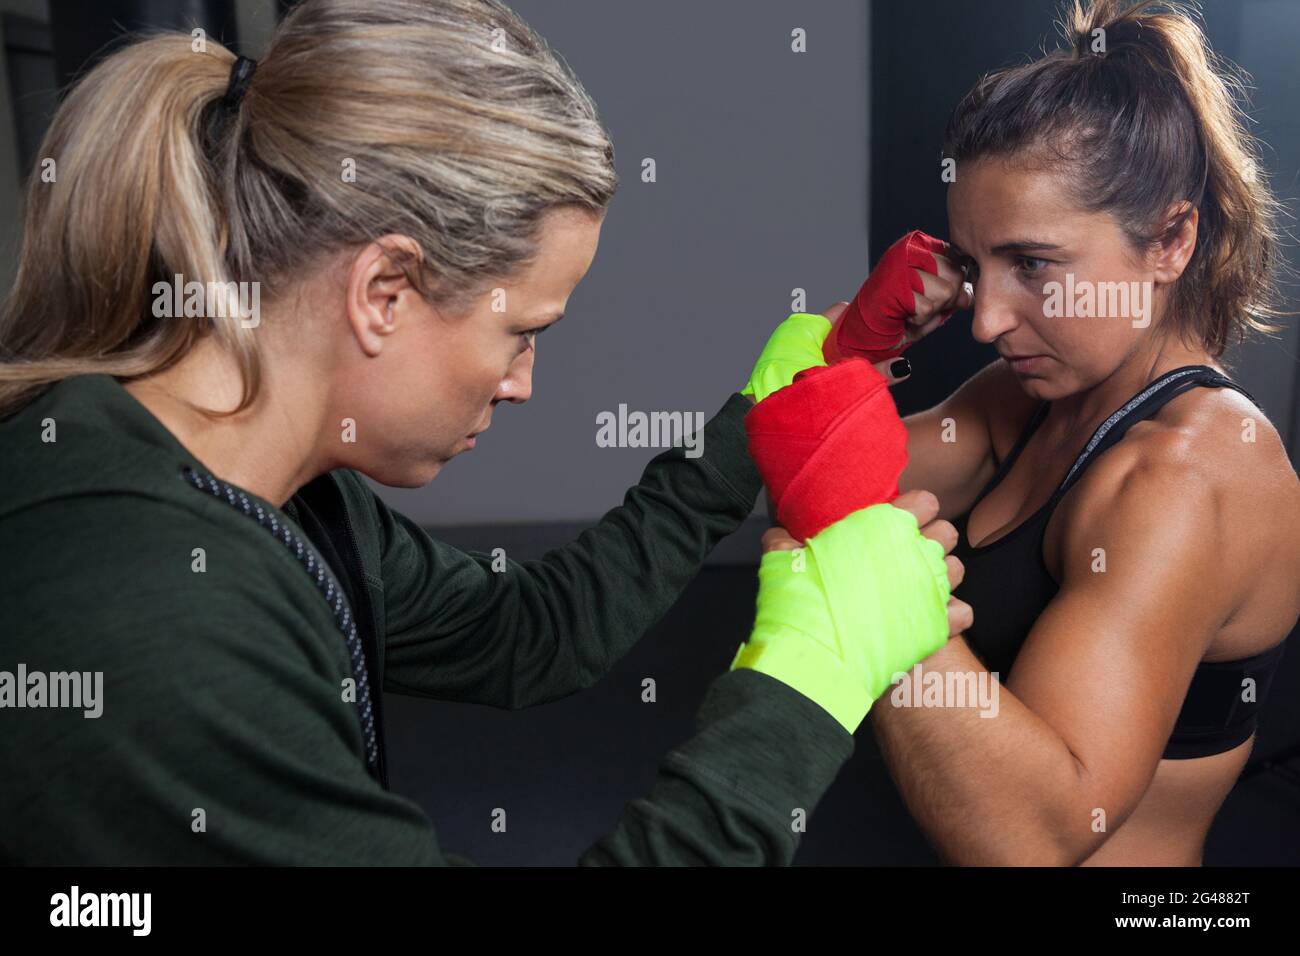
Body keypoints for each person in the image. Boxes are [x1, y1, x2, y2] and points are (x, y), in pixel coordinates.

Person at [0, 0, 964, 865]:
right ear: (386, 291)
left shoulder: (279, 482)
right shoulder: (151, 615)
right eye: (521, 334)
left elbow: (528, 634)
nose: (525, 384)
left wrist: (758, 419)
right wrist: (805, 688)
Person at [863, 0, 1300, 865]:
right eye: (974, 264)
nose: (984, 319)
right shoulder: (1029, 399)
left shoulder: (1186, 474)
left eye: (1032, 265)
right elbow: (806, 472)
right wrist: (854, 349)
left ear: (1171, 239)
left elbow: (1034, 837)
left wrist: (883, 601)